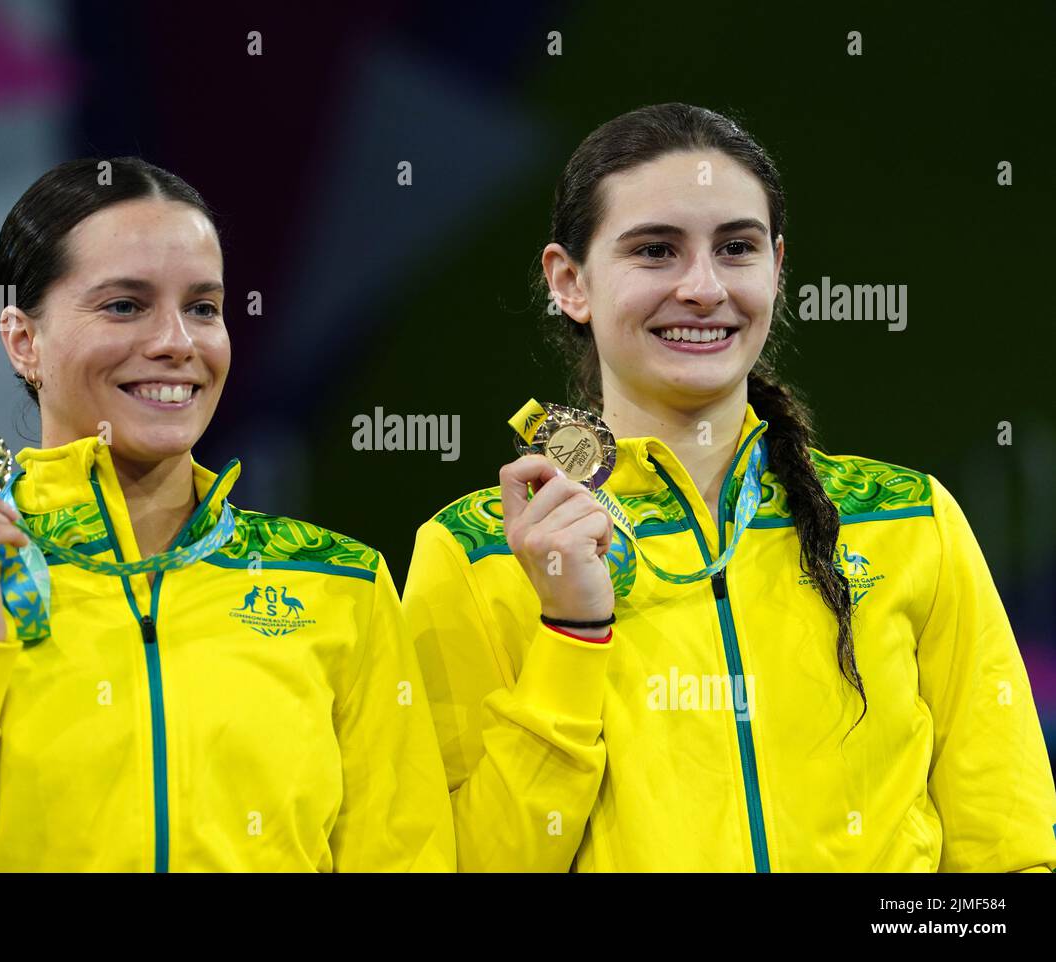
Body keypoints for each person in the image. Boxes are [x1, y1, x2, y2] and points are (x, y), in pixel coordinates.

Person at [401, 103, 1056, 872]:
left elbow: (1006, 857)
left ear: (777, 268)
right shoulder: (475, 555)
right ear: (569, 282)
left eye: (736, 248)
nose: (704, 287)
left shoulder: (912, 520)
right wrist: (568, 635)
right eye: (655, 252)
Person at [0, 157, 455, 872]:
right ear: (23, 340)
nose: (178, 342)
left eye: (203, 307)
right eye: (124, 306)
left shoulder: (339, 583)